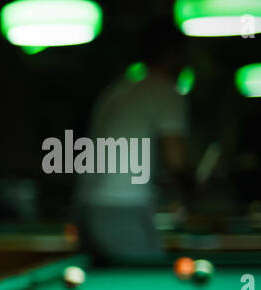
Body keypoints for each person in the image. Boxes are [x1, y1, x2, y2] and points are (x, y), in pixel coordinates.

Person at [71, 24, 192, 265]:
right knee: (153, 287)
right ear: (175, 55)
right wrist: (194, 191)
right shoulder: (165, 91)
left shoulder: (117, 90)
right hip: (120, 210)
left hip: (85, 208)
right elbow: (175, 160)